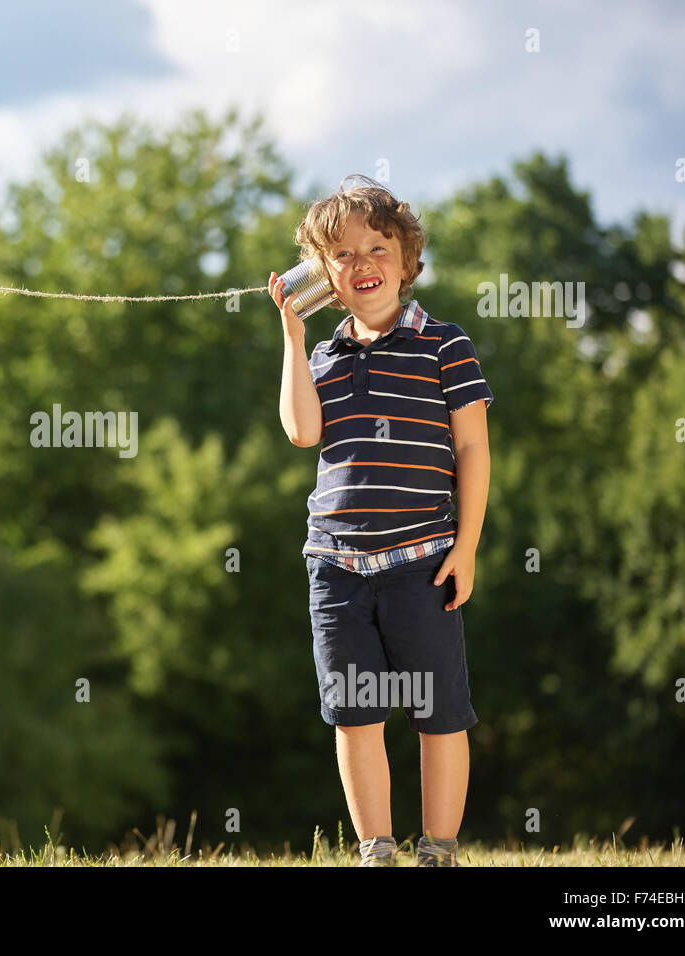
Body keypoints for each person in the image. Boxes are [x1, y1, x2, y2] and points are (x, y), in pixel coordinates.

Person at [270, 174, 493, 867]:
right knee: (355, 715)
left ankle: (440, 848)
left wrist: (468, 548)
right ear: (323, 275)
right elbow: (302, 432)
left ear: (407, 259)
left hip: (423, 559)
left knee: (438, 713)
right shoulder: (324, 358)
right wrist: (292, 334)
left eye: (377, 247)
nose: (363, 264)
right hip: (336, 566)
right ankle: (377, 848)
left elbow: (472, 449)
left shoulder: (444, 346)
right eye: (342, 255)